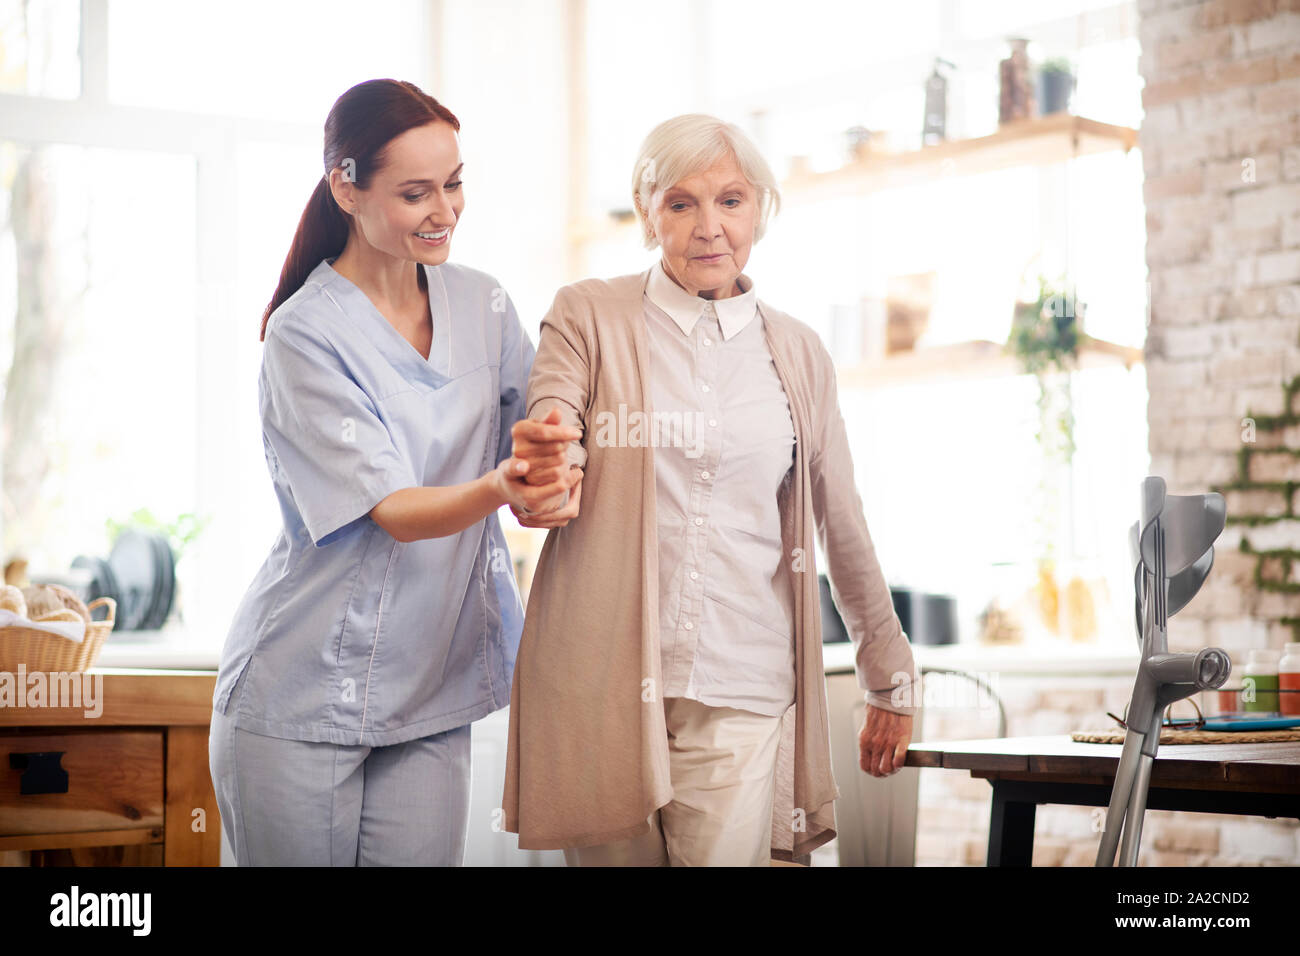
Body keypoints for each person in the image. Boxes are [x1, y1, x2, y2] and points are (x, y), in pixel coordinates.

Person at [502, 113, 919, 866]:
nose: (708, 227)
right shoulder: (587, 314)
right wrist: (550, 452)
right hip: (598, 680)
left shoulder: (797, 352)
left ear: (759, 208)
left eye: (730, 200)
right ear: (648, 211)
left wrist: (886, 673)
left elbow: (841, 516)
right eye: (681, 203)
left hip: (741, 680)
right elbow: (552, 408)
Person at [208, 78, 581, 866]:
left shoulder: (483, 304)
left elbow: (540, 431)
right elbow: (394, 508)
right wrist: (502, 488)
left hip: (430, 691)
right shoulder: (305, 334)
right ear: (346, 185)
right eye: (415, 193)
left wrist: (554, 466)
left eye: (453, 183)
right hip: (300, 695)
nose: (444, 210)